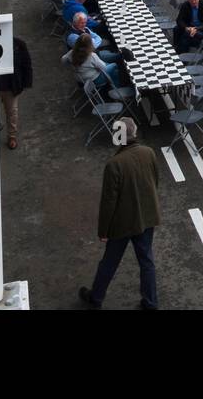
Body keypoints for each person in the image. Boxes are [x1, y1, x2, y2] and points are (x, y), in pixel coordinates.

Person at [79, 118, 161, 310]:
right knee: (146, 261)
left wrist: (103, 231)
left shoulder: (114, 164)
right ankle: (150, 302)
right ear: (134, 132)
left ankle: (96, 297)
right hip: (147, 217)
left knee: (109, 262)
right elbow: (154, 181)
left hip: (122, 224)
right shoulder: (148, 153)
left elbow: (108, 202)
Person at [0, 36, 33, 151]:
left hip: (10, 85)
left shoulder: (18, 45)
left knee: (12, 112)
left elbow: (26, 64)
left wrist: (26, 82)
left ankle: (12, 136)